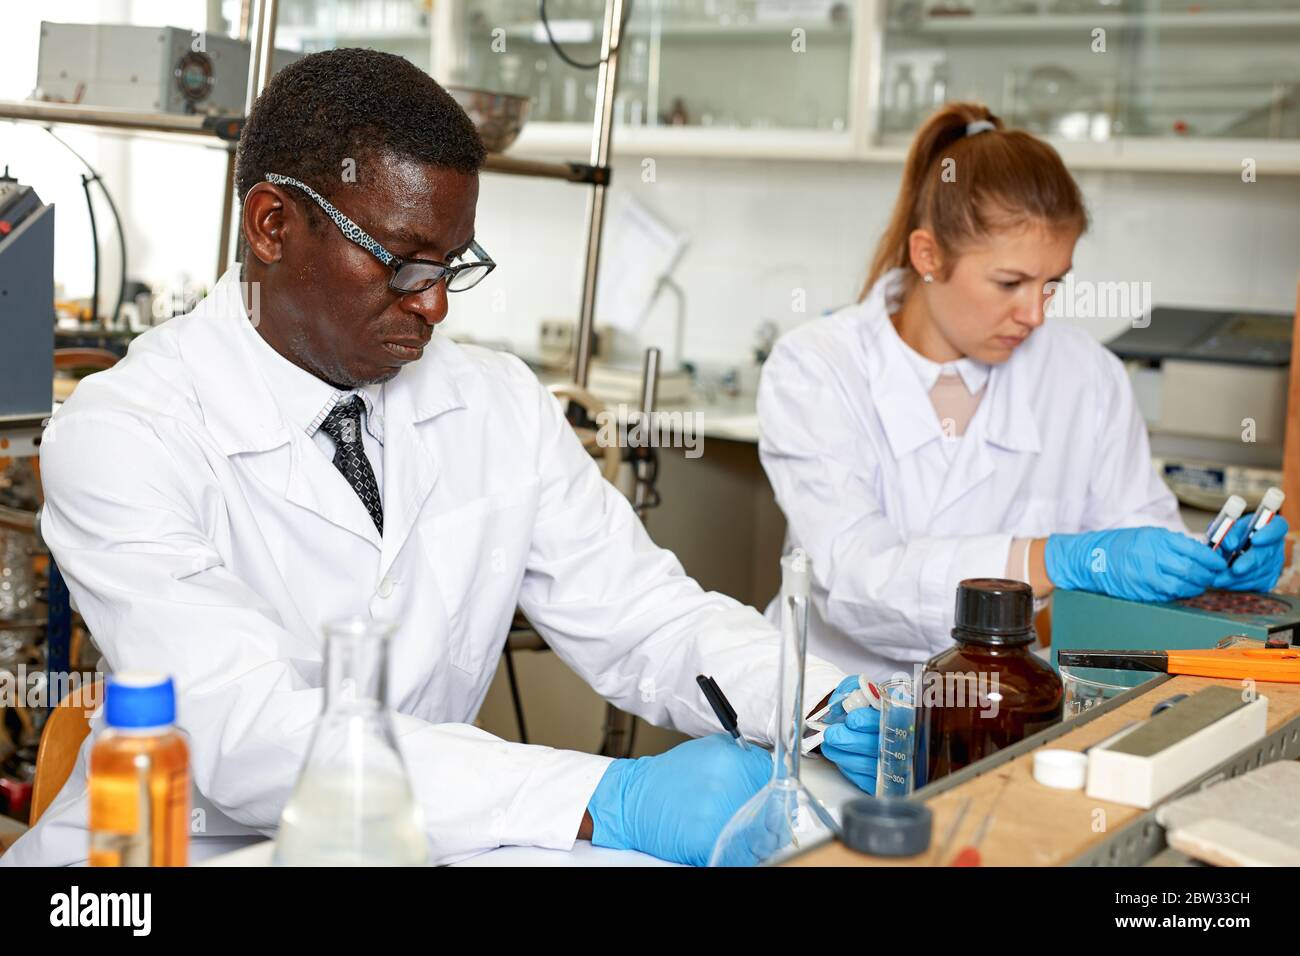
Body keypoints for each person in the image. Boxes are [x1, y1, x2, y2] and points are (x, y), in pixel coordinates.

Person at [2, 50, 879, 867]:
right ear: (271, 224)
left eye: (451, 267)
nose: (433, 307)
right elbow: (247, 731)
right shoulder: (125, 434)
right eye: (403, 264)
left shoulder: (496, 402)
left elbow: (642, 614)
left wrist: (811, 701)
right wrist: (605, 792)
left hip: (412, 840)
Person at [757, 103, 1287, 685]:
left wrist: (1209, 565)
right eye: (1010, 283)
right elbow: (856, 580)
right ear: (928, 256)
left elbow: (1137, 543)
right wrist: (1051, 559)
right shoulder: (817, 368)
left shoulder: (1087, 375)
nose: (1034, 314)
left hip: (1002, 710)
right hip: (832, 712)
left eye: (1052, 283)